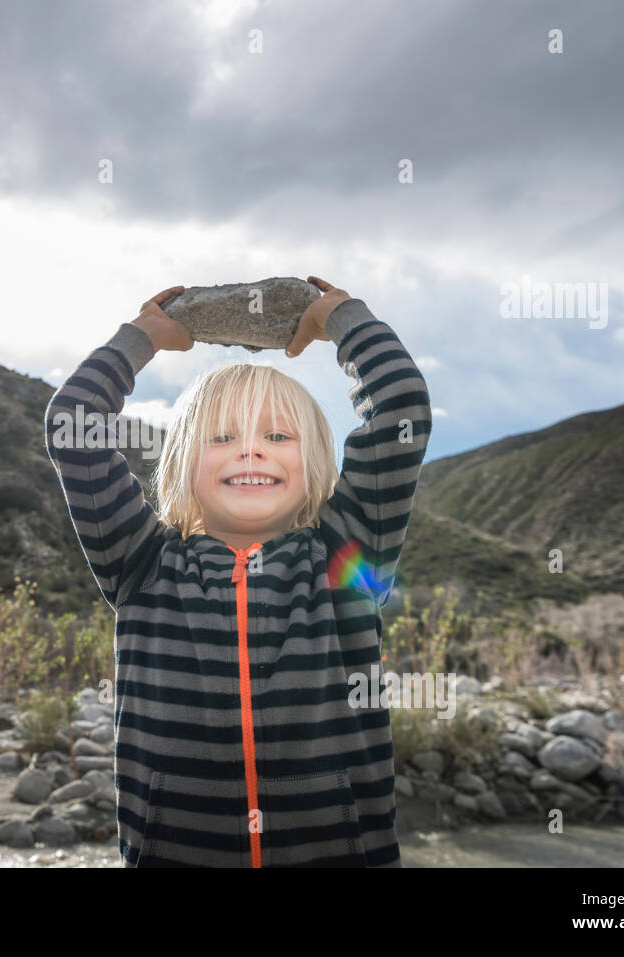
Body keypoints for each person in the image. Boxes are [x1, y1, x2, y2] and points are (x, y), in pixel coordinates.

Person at [44, 276, 432, 866]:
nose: (251, 451)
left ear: (314, 462)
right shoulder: (142, 564)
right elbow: (72, 424)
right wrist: (144, 337)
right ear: (184, 463)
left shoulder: (347, 554)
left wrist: (341, 318)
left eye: (277, 436)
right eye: (222, 437)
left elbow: (401, 407)